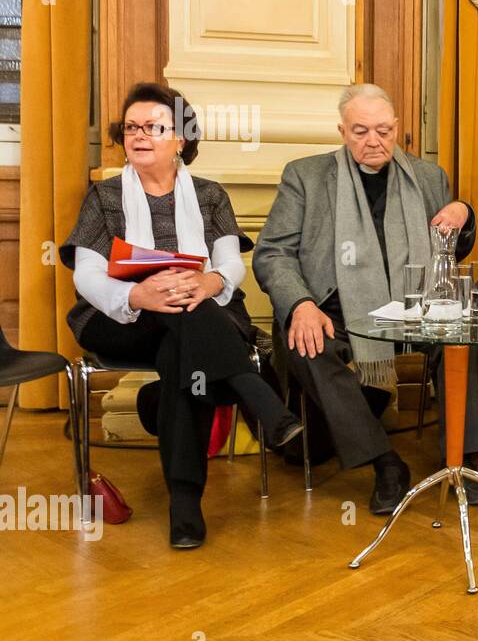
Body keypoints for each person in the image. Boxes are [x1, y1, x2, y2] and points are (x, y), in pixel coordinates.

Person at [60, 82, 303, 549]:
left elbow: (230, 264)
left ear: (181, 139)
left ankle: (185, 505)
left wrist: (209, 282)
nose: (139, 135)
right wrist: (138, 297)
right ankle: (257, 397)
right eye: (132, 127)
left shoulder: (211, 195)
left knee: (181, 348)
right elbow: (86, 276)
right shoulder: (105, 197)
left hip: (194, 320)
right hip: (121, 319)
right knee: (181, 307)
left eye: (153, 127)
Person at [253, 83, 478, 515]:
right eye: (360, 131)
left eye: (382, 130)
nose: (373, 141)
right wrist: (301, 303)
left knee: (463, 335)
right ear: (342, 131)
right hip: (333, 308)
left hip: (416, 306)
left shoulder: (428, 177)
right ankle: (386, 463)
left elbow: (453, 248)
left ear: (396, 128)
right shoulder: (306, 176)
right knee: (305, 341)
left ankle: (462, 461)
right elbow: (272, 253)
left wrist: (464, 213)